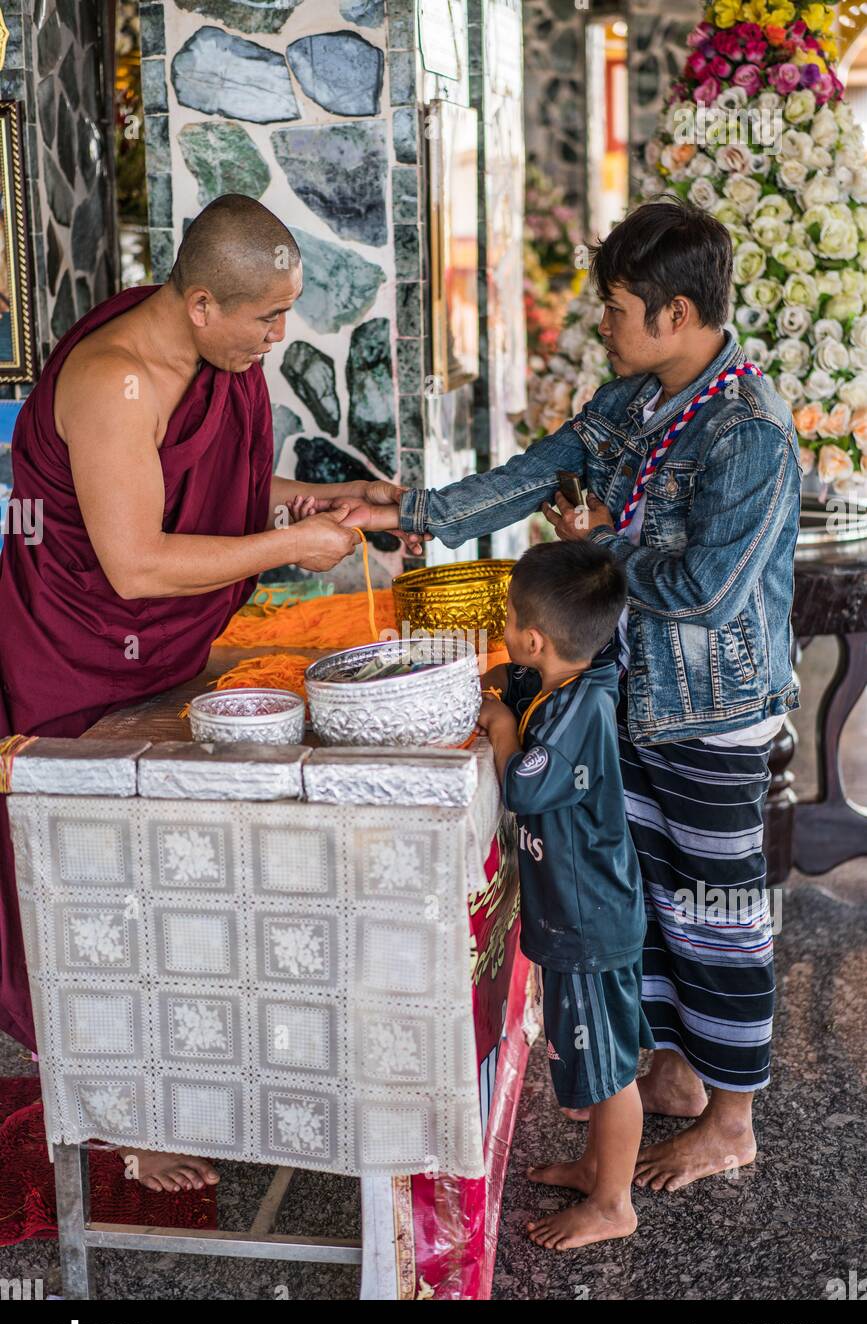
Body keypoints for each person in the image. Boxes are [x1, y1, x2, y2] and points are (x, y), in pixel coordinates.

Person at [353, 198, 802, 1191]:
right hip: (630, 699)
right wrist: (411, 511)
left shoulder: (749, 435)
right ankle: (679, 1078)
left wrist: (598, 542)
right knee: (650, 909)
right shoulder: (633, 400)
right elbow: (534, 476)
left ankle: (734, 1122)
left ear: (676, 314)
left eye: (616, 307)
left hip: (714, 718)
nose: (602, 322)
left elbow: (701, 589)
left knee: (719, 916)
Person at [0, 193, 418, 1193]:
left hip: (164, 653)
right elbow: (137, 560)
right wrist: (287, 546)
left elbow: (194, 493)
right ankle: (121, 1113)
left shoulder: (205, 356)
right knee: (86, 889)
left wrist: (306, 503)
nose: (280, 337)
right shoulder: (116, 382)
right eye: (266, 320)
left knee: (169, 876)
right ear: (197, 303)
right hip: (78, 656)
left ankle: (192, 1063)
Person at [478, 541, 648, 1251]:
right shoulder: (575, 678)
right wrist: (505, 688)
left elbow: (525, 783)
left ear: (533, 638)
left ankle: (614, 1203)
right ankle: (594, 1169)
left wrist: (497, 727)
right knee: (595, 1055)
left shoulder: (579, 710)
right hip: (581, 913)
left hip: (589, 922)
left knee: (608, 1072)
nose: (504, 628)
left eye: (507, 620)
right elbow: (529, 696)